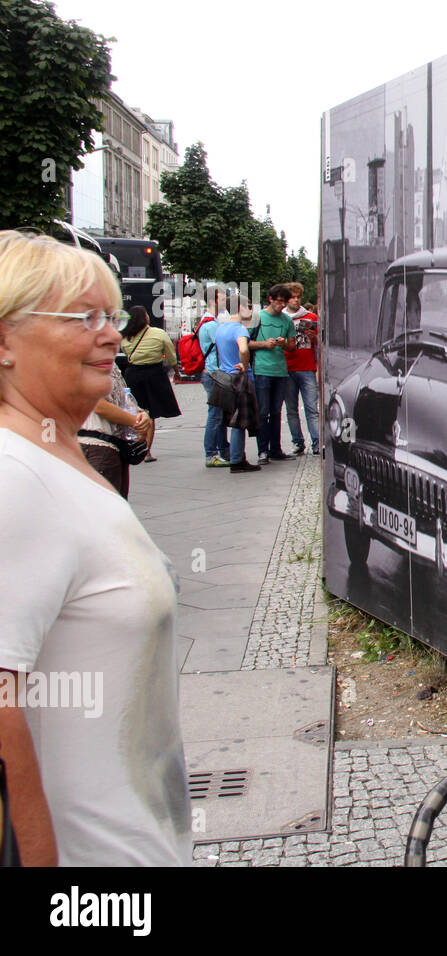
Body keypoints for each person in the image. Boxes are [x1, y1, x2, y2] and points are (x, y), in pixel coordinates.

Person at [0, 229, 191, 865]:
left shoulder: (61, 455)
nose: (111, 334)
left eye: (110, 315)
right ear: (4, 339)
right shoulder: (15, 477)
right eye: (83, 318)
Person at [78, 361, 151, 498]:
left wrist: (140, 414)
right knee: (103, 511)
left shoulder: (107, 361)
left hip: (114, 445)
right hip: (96, 445)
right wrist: (134, 421)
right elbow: (98, 405)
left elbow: (122, 398)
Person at [120, 304, 180, 461]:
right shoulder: (158, 333)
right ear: (145, 317)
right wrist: (177, 371)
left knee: (135, 410)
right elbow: (171, 355)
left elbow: (127, 354)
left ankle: (134, 443)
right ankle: (146, 451)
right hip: (153, 374)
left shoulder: (126, 337)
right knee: (150, 413)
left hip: (132, 374)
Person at [248, 283, 296, 465]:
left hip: (280, 371)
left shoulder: (287, 320)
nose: (282, 305)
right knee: (263, 412)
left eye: (284, 302)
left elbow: (292, 346)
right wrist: (263, 344)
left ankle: (275, 449)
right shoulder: (257, 317)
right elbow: (245, 342)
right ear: (270, 299)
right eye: (279, 301)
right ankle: (262, 451)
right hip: (262, 370)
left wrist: (284, 344)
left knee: (276, 412)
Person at [214, 294, 261, 473]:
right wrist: (244, 363)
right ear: (240, 307)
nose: (250, 309)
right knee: (240, 421)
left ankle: (234, 457)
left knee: (229, 418)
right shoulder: (240, 330)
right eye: (248, 305)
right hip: (239, 378)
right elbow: (243, 348)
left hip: (224, 377)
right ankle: (237, 460)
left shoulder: (221, 328)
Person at [281, 285, 320, 455]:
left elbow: (321, 342)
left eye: (298, 297)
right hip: (287, 367)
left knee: (312, 407)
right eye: (292, 297)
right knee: (291, 409)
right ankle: (297, 442)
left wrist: (315, 338)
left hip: (306, 367)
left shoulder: (311, 317)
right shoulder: (280, 318)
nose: (296, 300)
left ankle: (317, 441)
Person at [197, 286, 230, 466]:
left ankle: (223, 449)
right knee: (215, 415)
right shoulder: (210, 324)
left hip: (213, 373)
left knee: (219, 414)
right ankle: (211, 454)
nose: (225, 302)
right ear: (212, 301)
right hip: (214, 374)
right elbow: (215, 353)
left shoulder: (211, 321)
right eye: (223, 299)